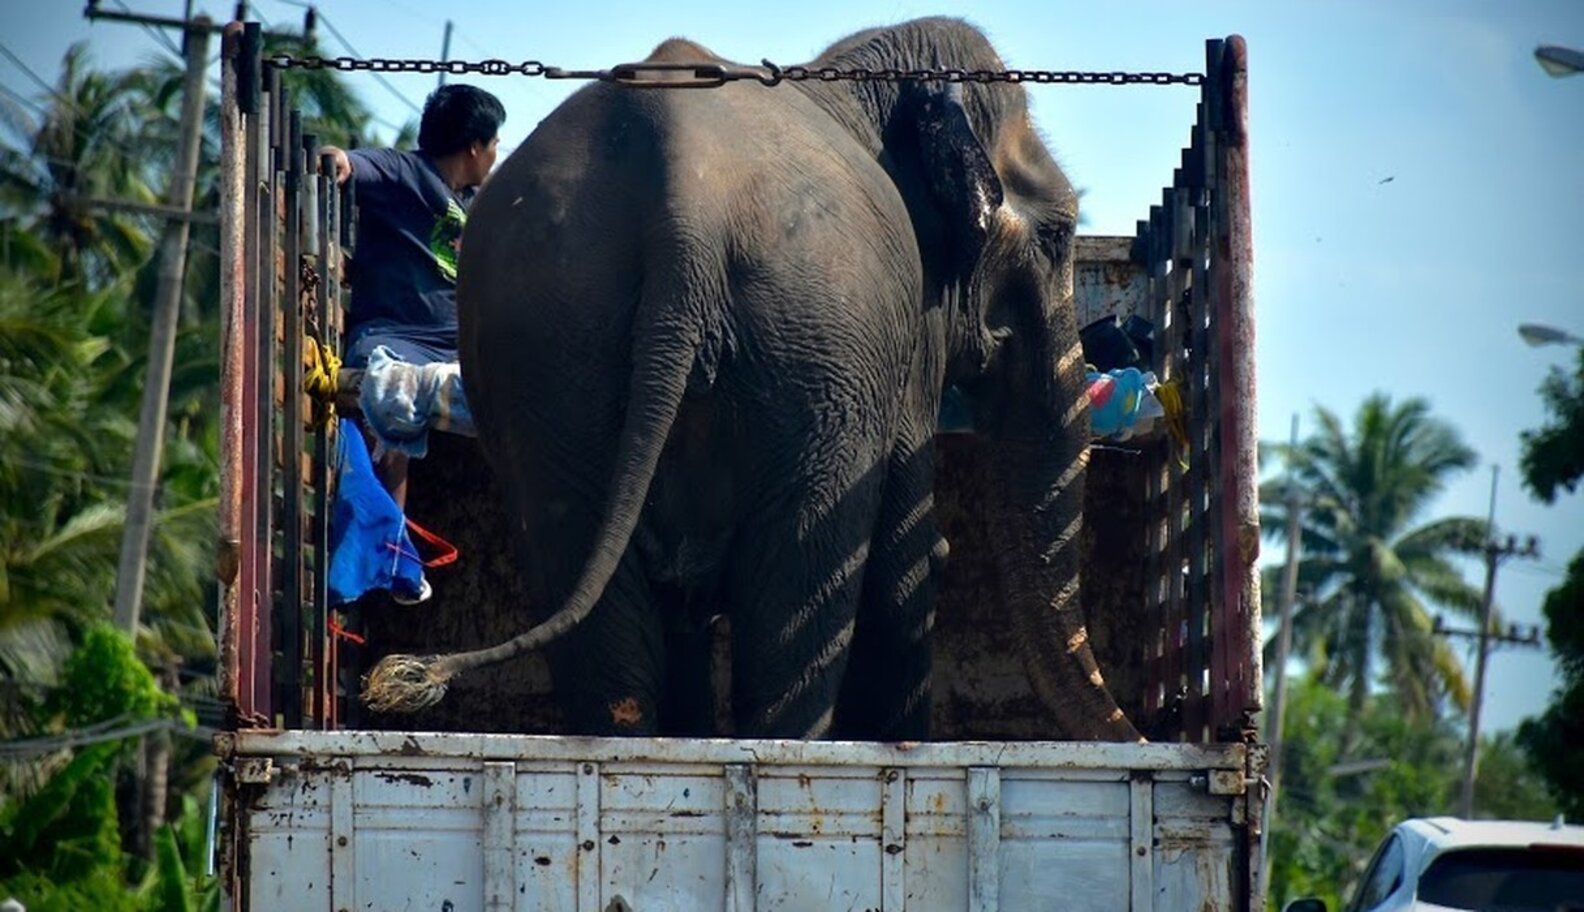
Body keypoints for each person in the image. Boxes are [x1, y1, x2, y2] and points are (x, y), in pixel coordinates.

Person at [322, 83, 505, 509]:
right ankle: (389, 547)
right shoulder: (403, 172)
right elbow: (353, 162)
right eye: (495, 143)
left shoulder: (481, 205)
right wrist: (338, 160)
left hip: (456, 352)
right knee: (390, 418)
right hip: (393, 341)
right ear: (475, 147)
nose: (497, 154)